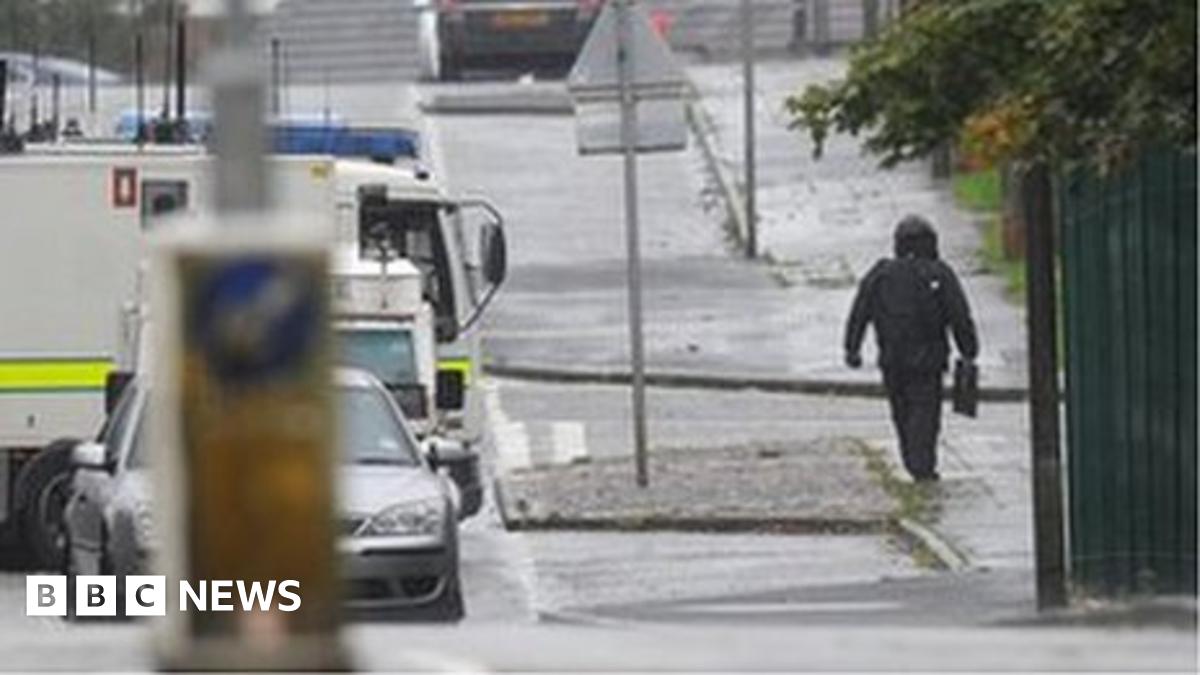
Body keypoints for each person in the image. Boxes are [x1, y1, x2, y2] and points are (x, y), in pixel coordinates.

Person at [844, 215, 978, 482]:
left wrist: (852, 347)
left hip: (892, 358)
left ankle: (913, 459)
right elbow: (958, 314)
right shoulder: (939, 273)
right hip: (929, 360)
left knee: (901, 410)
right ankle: (922, 464)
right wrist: (968, 348)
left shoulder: (881, 273)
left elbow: (860, 311)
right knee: (925, 413)